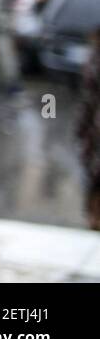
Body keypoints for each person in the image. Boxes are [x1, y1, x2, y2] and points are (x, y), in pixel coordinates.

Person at [76, 29, 100, 230]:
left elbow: (88, 99)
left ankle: (94, 217)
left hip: (96, 129)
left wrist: (81, 127)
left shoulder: (94, 59)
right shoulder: (94, 58)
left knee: (94, 174)